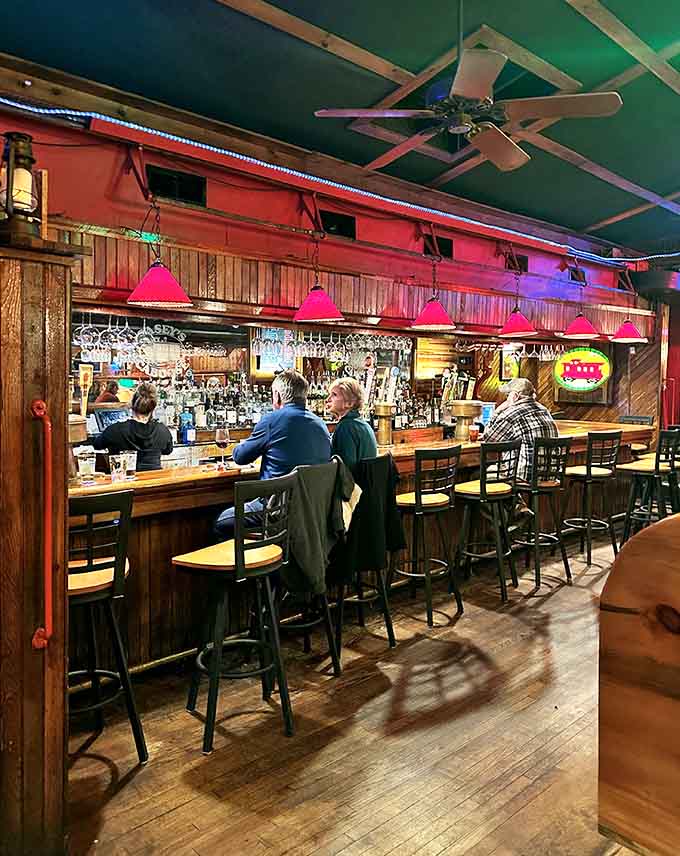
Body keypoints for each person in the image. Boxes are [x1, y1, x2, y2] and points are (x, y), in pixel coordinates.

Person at [215, 369, 331, 539]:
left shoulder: (272, 420)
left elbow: (240, 457)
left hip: (276, 510)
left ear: (277, 396)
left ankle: (253, 562)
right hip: (311, 512)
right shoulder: (321, 424)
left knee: (221, 523)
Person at [482, 377, 557, 481]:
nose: (506, 399)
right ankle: (517, 497)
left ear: (515, 396)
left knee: (479, 475)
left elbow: (489, 439)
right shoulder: (544, 410)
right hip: (549, 476)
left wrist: (497, 411)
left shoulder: (512, 413)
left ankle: (514, 496)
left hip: (524, 476)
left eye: (507, 395)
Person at [92, 382, 173, 472]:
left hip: (124, 482)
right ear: (153, 406)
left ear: (133, 403)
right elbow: (168, 450)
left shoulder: (115, 430)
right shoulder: (163, 431)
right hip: (155, 483)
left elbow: (97, 445)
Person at [326, 377, 377, 473]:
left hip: (355, 486)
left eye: (334, 395)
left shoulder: (346, 427)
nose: (328, 399)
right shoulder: (363, 424)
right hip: (367, 485)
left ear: (350, 402)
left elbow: (345, 471)